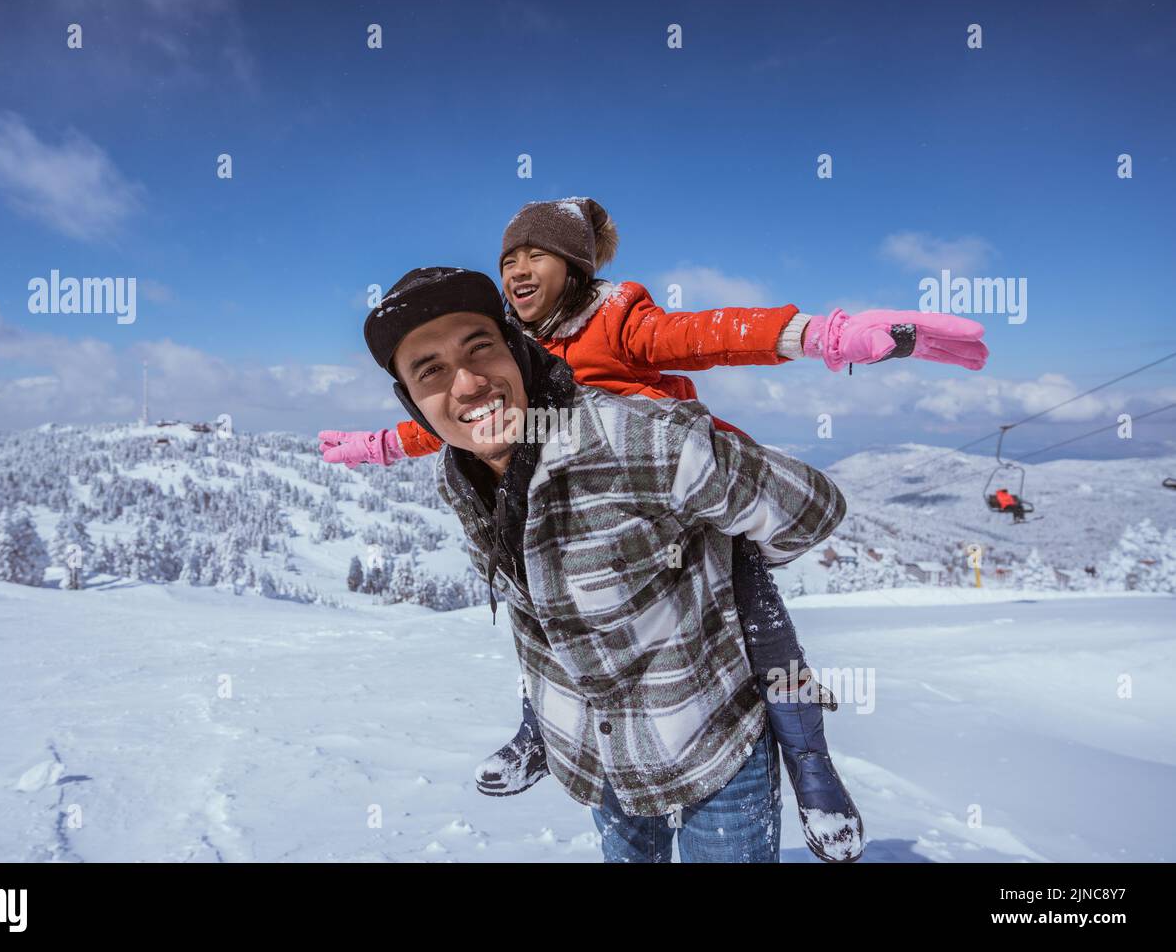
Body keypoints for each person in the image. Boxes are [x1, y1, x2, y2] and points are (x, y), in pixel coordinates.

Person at [323, 199, 988, 861]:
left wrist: (821, 336)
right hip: (608, 733)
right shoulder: (500, 386)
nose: (520, 271)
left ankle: (812, 768)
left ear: (577, 268)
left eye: (537, 255)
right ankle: (545, 732)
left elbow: (710, 334)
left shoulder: (614, 323)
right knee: (546, 619)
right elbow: (441, 417)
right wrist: (371, 445)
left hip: (689, 510)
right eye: (508, 260)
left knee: (764, 634)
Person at [362, 265, 852, 862]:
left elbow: (811, 509)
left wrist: (721, 566)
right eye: (430, 370)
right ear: (412, 402)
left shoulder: (635, 438)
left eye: (480, 347)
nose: (466, 384)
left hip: (710, 740)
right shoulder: (460, 474)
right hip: (598, 754)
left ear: (516, 352)